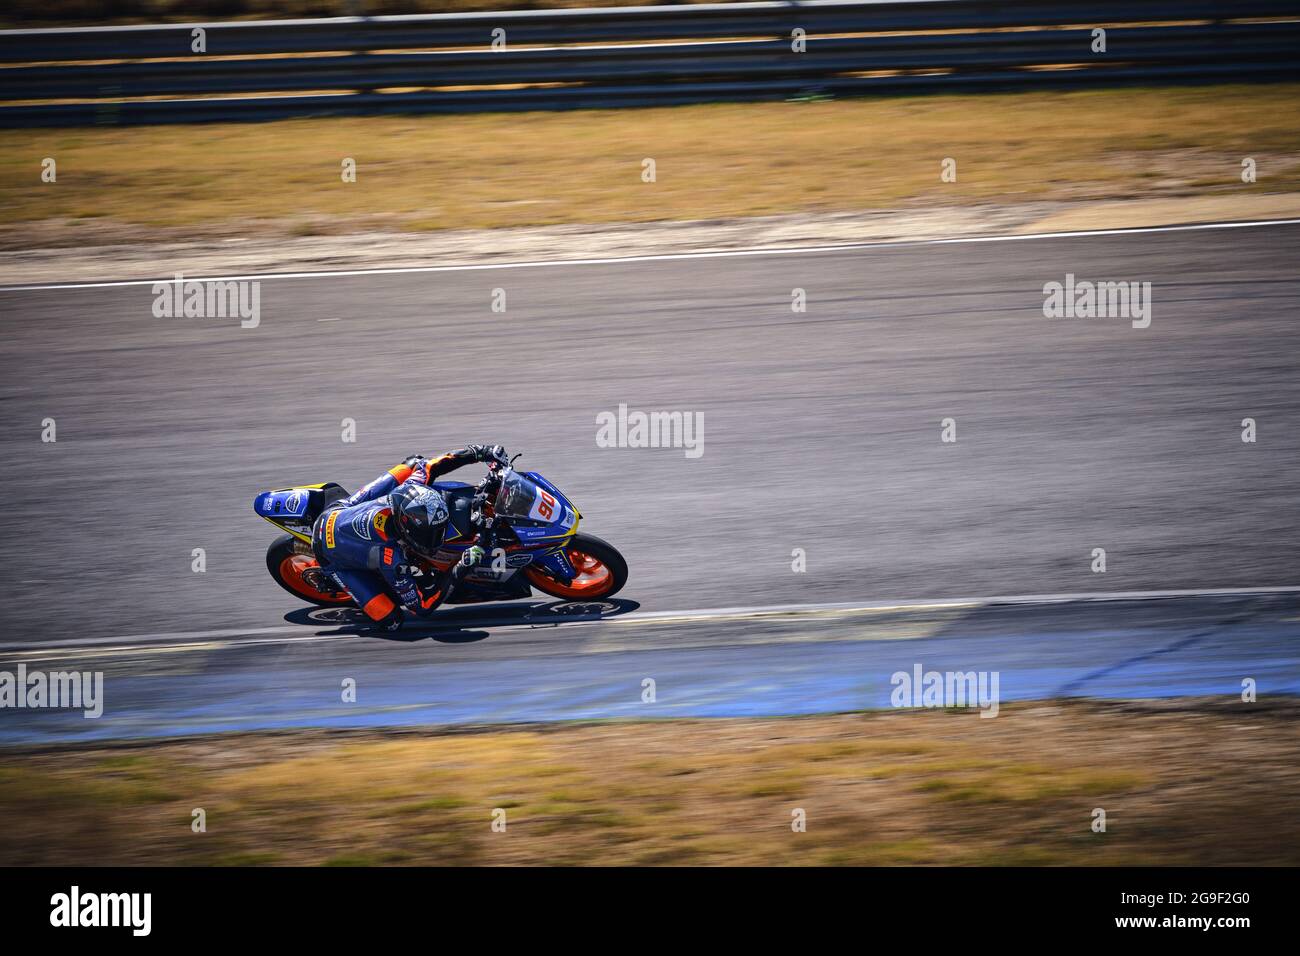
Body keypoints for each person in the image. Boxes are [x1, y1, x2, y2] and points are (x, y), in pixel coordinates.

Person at [311, 444, 506, 631]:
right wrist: (463, 564)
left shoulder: (412, 487)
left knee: (415, 462)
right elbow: (422, 606)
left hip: (340, 510)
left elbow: (433, 465)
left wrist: (481, 452)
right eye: (430, 534)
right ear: (408, 530)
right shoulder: (391, 559)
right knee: (392, 622)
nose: (436, 538)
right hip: (329, 554)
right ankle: (342, 579)